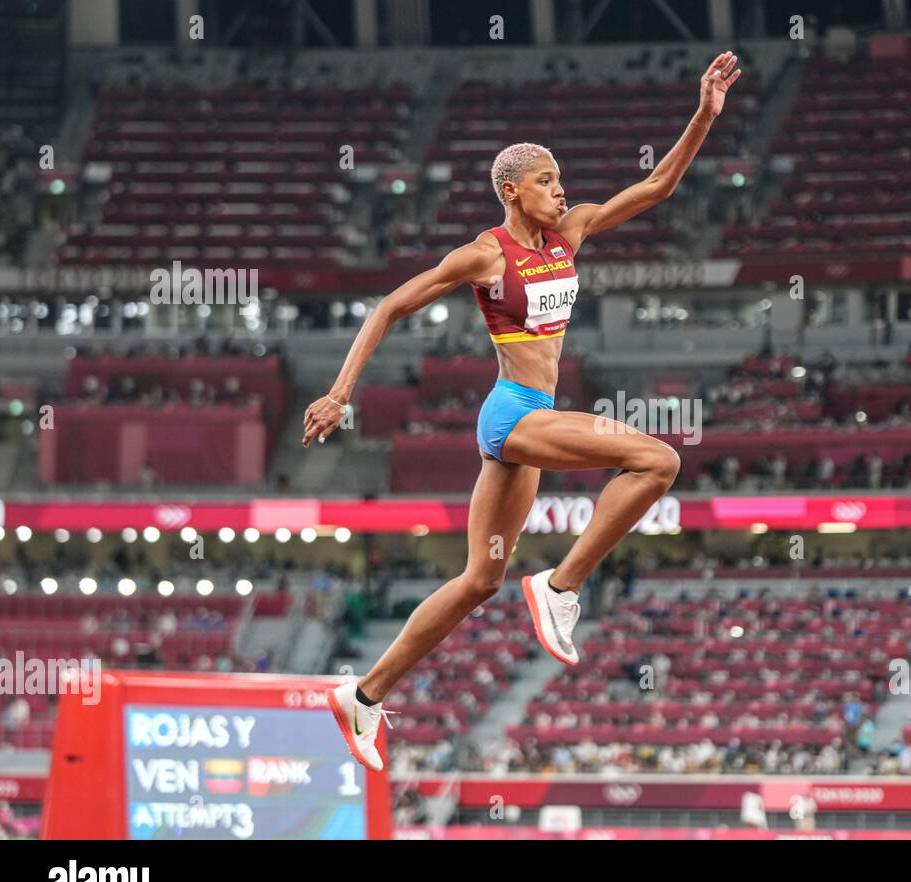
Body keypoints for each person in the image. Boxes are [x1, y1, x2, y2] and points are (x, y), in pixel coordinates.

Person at [305, 52, 743, 771]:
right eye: (546, 181)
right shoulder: (485, 254)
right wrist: (340, 392)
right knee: (657, 458)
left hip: (530, 417)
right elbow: (389, 305)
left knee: (480, 580)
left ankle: (363, 695)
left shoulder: (570, 234)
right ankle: (562, 586)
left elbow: (659, 184)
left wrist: (704, 113)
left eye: (561, 179)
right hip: (510, 414)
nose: (560, 190)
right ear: (512, 191)